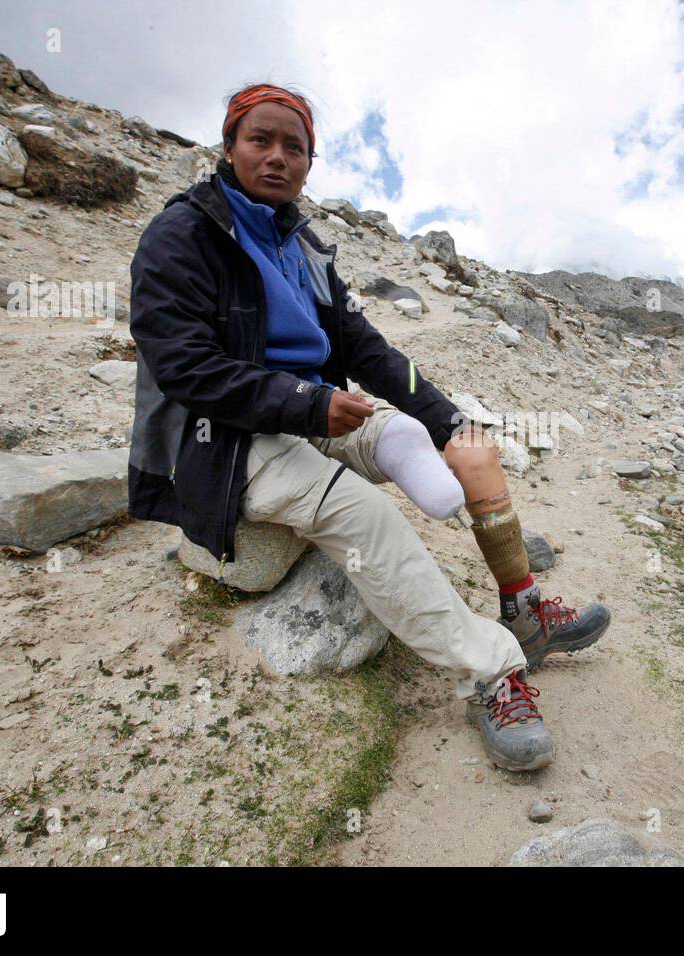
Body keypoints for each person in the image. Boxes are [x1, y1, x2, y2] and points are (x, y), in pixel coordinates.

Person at [127, 83, 610, 772]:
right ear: (228, 146)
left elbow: (365, 348)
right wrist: (304, 404)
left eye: (294, 147)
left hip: (309, 410)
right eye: (260, 139)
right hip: (222, 439)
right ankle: (495, 673)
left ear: (309, 163)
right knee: (367, 515)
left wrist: (448, 422)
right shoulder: (183, 235)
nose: (276, 157)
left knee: (452, 448)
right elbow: (183, 369)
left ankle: (524, 611)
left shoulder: (305, 247)